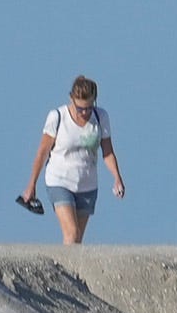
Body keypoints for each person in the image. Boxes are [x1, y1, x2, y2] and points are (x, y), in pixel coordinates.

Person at [21, 77, 126, 243]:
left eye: (89, 108)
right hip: (59, 181)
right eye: (80, 108)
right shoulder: (57, 117)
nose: (85, 113)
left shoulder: (101, 117)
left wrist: (117, 178)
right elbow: (42, 152)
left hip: (87, 185)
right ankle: (66, 268)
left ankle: (68, 269)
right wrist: (31, 185)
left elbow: (107, 151)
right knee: (72, 233)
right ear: (71, 99)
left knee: (77, 241)